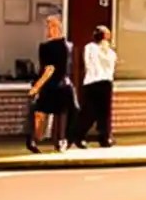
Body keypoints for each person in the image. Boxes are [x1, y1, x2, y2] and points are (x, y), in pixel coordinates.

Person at [27, 15, 74, 153]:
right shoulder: (67, 46)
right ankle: (57, 141)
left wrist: (36, 87)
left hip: (53, 84)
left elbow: (49, 68)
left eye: (52, 26)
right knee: (58, 114)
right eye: (48, 26)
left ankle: (36, 140)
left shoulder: (48, 47)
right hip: (61, 83)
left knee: (42, 112)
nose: (49, 29)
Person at [73, 25, 117, 149]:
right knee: (89, 111)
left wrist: (106, 50)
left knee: (105, 113)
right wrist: (103, 51)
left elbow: (111, 64)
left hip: (106, 82)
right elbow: (90, 63)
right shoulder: (90, 48)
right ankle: (79, 135)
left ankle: (105, 137)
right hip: (92, 82)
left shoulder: (110, 51)